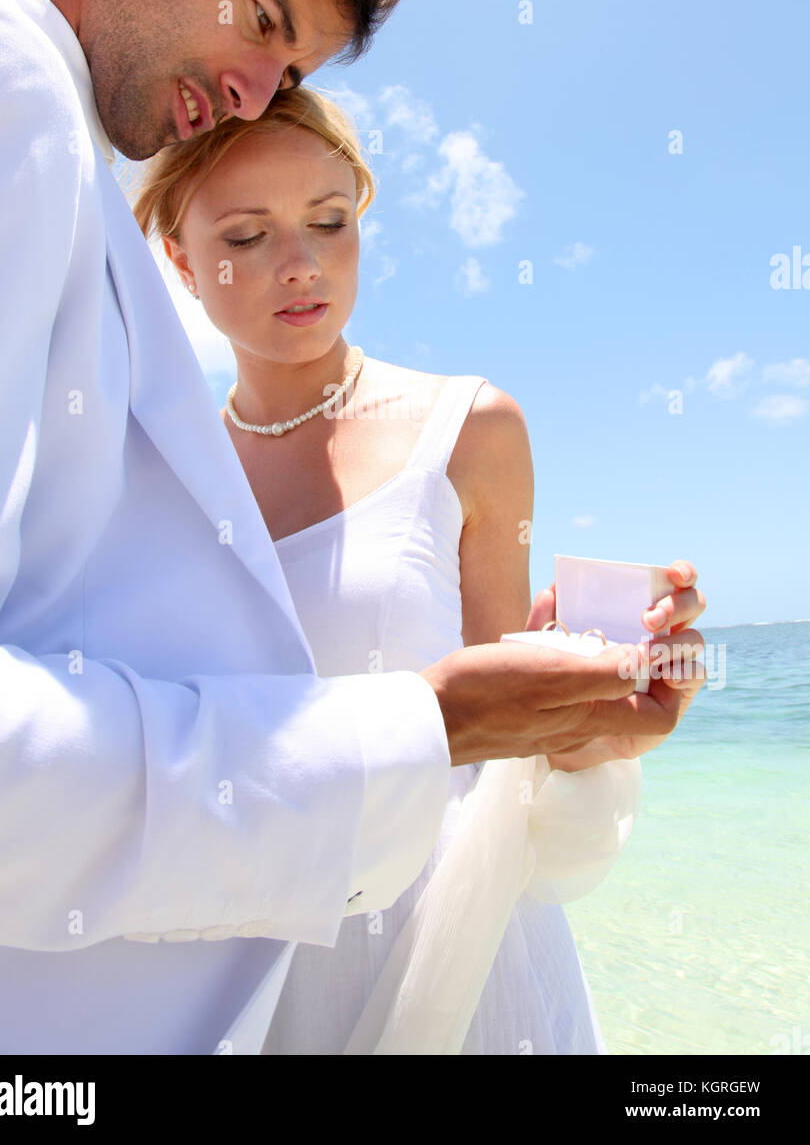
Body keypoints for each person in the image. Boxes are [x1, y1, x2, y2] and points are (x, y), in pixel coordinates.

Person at [0, 0, 705, 1055]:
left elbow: (498, 774)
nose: (252, 93)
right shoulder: (3, 87)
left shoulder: (450, 428)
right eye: (263, 20)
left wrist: (574, 712)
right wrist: (446, 711)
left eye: (289, 69)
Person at [133, 85, 706, 1053]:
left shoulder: (471, 428)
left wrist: (592, 726)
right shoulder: (151, 473)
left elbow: (502, 742)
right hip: (228, 964)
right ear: (180, 260)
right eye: (244, 236)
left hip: (448, 949)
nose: (301, 263)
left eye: (329, 220)